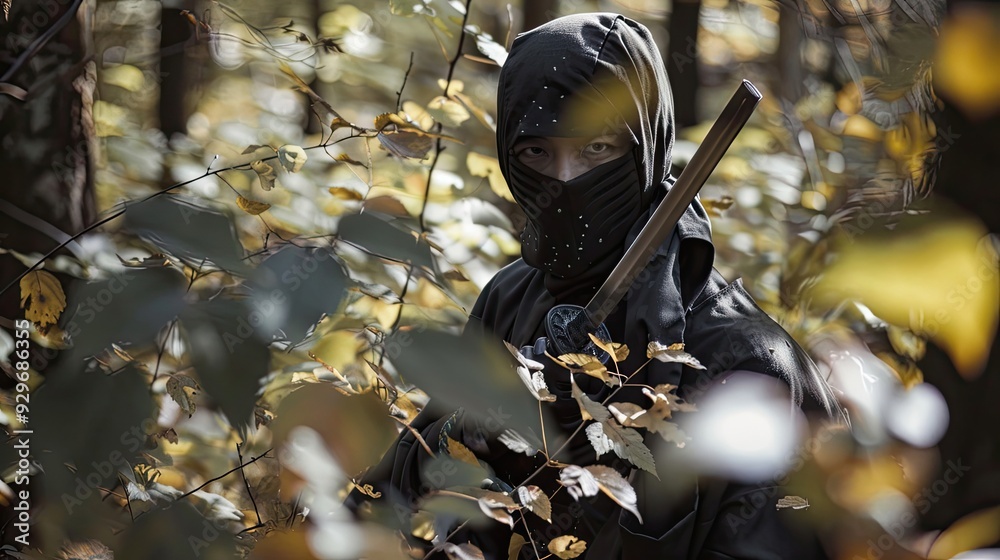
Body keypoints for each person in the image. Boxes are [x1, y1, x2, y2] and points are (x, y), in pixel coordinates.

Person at [348, 12, 844, 559]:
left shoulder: (746, 361)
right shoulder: (510, 298)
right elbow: (379, 510)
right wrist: (472, 438)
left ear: (645, 151)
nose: (564, 182)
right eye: (537, 152)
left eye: (597, 150)